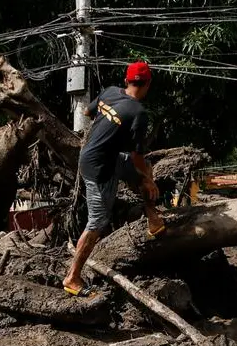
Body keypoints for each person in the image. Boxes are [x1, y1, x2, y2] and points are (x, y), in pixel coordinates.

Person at [62, 61, 164, 297]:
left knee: (143, 167)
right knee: (97, 222)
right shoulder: (138, 112)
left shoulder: (110, 91)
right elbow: (138, 156)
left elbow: (88, 112)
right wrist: (147, 181)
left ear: (127, 80)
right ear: (147, 83)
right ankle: (72, 277)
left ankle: (153, 220)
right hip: (100, 169)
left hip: (99, 157)